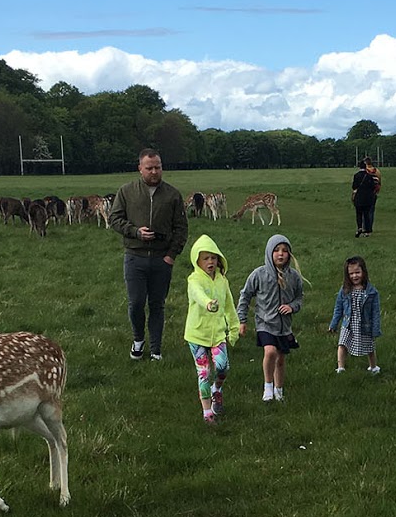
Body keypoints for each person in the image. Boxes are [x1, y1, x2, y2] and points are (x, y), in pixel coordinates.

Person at [110, 148, 189, 361]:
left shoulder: (172, 195)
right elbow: (115, 219)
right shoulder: (126, 192)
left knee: (157, 305)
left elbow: (181, 228)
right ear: (140, 169)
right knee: (136, 303)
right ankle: (138, 340)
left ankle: (156, 349)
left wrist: (172, 255)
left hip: (161, 259)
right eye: (149, 168)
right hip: (134, 257)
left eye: (158, 167)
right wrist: (135, 232)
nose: (154, 172)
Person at [237, 234, 304, 402]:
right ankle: (268, 387)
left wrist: (292, 307)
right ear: (269, 252)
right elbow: (245, 296)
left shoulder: (294, 276)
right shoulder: (259, 274)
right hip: (265, 323)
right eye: (276, 250)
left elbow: (299, 298)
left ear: (289, 254)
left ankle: (279, 390)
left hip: (284, 327)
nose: (280, 254)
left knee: (280, 359)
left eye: (284, 251)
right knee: (270, 351)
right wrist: (242, 320)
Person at [184, 235, 238, 425]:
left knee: (222, 368)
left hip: (218, 335)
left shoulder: (222, 281)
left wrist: (234, 328)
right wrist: (208, 303)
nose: (210, 262)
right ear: (197, 261)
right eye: (206, 258)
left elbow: (229, 306)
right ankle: (207, 413)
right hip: (197, 335)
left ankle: (217, 390)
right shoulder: (193, 280)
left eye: (213, 258)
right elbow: (198, 295)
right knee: (204, 372)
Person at [328, 255, 381, 375]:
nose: (354, 276)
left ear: (363, 272)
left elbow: (375, 312)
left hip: (364, 325)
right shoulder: (345, 290)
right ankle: (340, 367)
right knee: (342, 344)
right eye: (351, 273)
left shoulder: (372, 292)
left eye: (357, 272)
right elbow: (338, 308)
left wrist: (375, 329)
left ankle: (373, 367)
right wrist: (334, 324)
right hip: (348, 324)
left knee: (370, 347)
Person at [351, 156, 380, 237]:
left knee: (359, 214)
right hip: (368, 198)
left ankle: (360, 227)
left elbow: (354, 186)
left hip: (359, 197)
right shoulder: (369, 176)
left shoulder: (356, 175)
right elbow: (373, 186)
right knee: (367, 214)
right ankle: (367, 231)